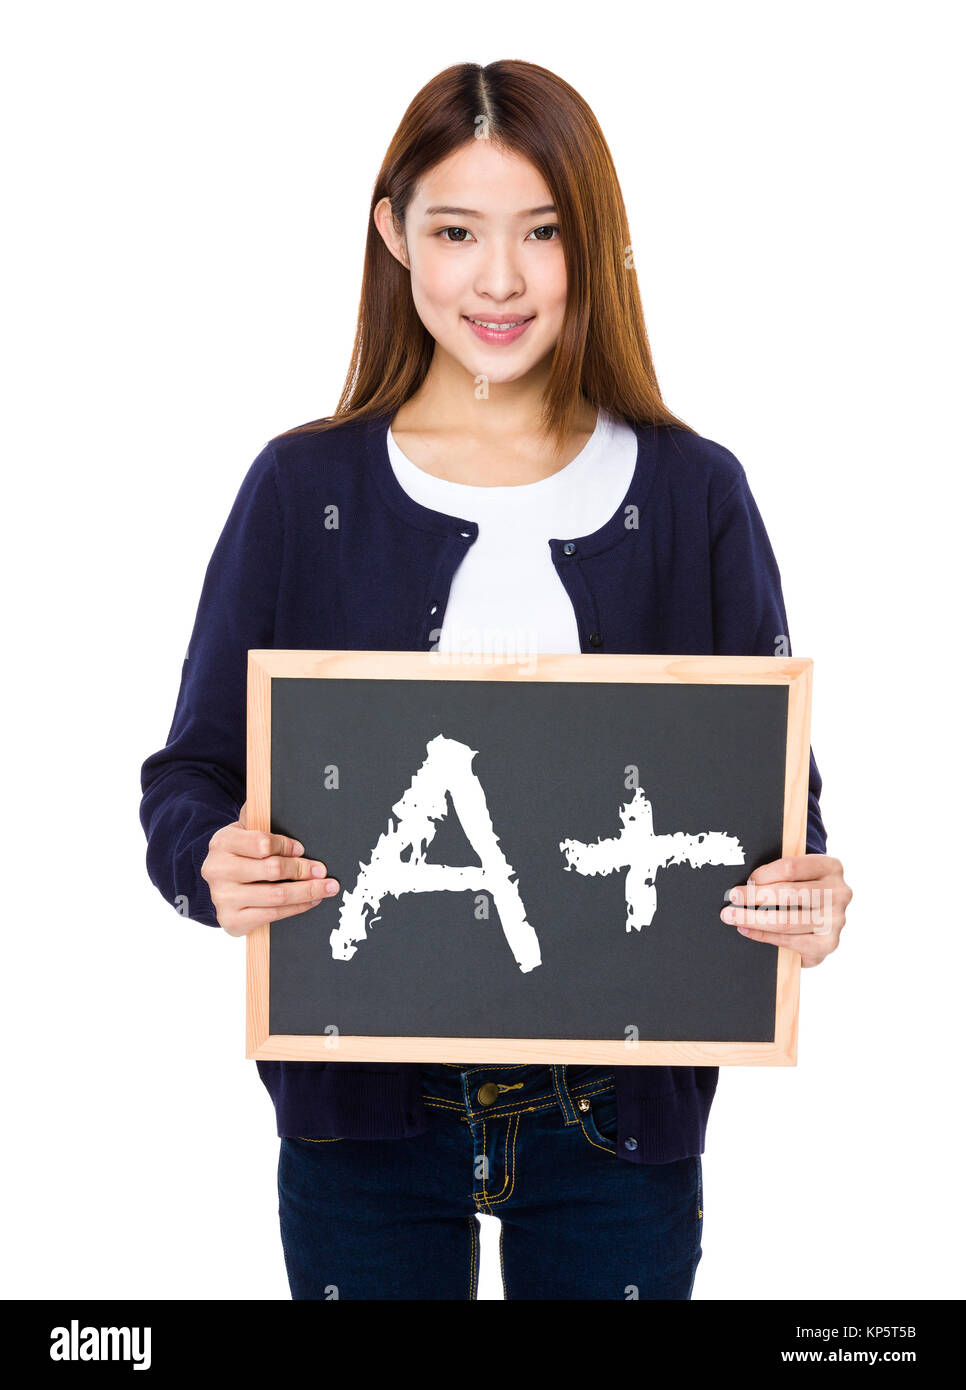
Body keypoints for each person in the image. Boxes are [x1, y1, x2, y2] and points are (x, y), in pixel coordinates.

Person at [139, 59, 852, 1301]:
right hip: (360, 1122)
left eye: (543, 232)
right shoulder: (300, 490)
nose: (502, 279)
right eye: (458, 232)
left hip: (615, 1126)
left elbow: (775, 808)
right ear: (392, 233)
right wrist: (214, 861)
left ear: (597, 246)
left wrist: (808, 900)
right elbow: (189, 780)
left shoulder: (695, 493)